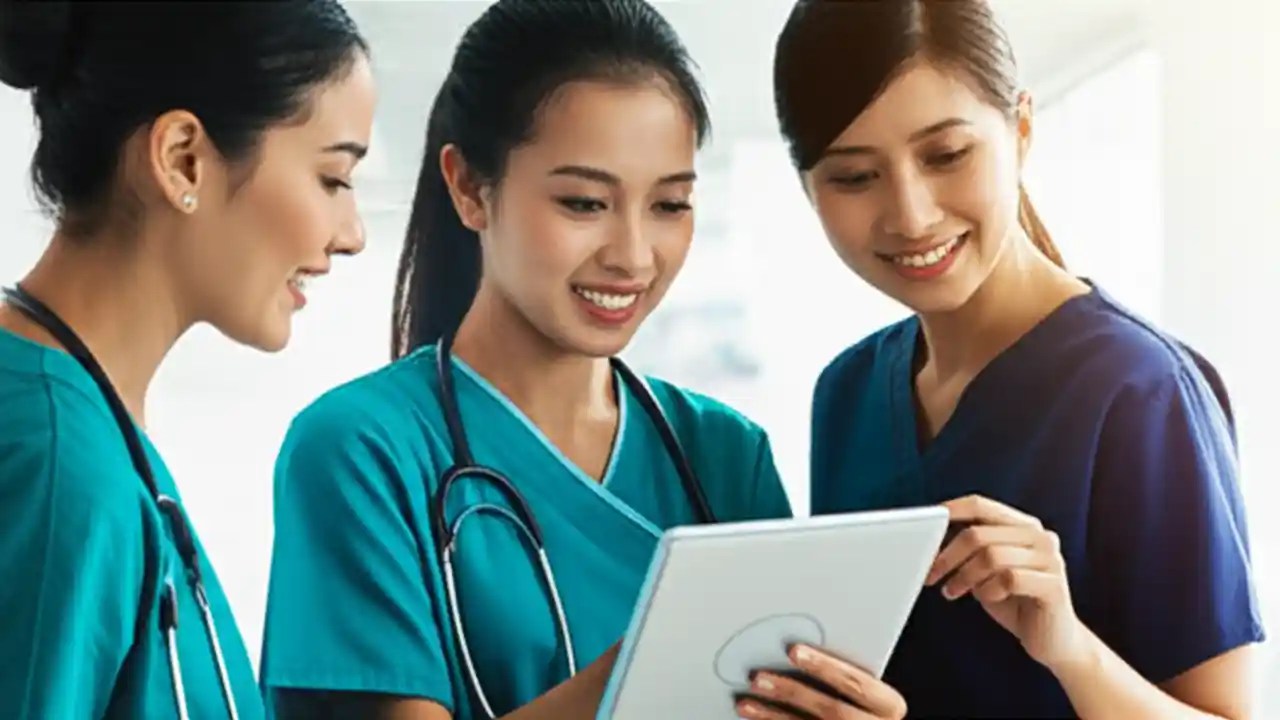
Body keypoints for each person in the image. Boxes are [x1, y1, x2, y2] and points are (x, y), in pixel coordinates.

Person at [258, 2, 911, 719]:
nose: (633, 255)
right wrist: (652, 672)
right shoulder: (361, 450)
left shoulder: (724, 455)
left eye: (668, 205)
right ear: (470, 188)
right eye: (584, 202)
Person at [773, 1, 1265, 718]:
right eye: (853, 178)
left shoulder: (1140, 391)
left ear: (1022, 129)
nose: (910, 215)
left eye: (946, 155)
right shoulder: (845, 396)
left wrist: (1067, 646)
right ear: (809, 190)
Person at [0, 2, 374, 718]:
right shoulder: (55, 470)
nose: (351, 234)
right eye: (332, 179)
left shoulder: (83, 427)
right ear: (182, 159)